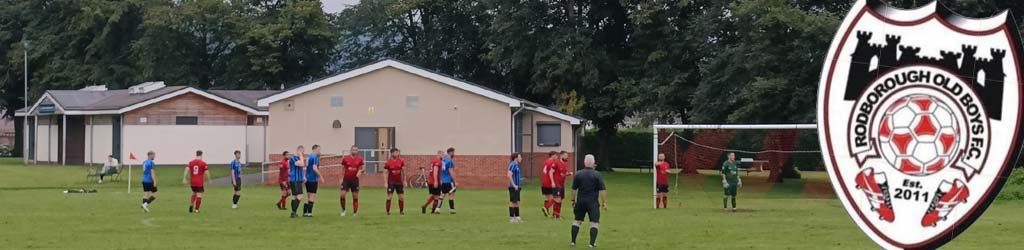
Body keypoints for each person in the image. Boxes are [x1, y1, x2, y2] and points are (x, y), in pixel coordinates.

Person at [569, 154, 607, 248]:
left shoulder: (578, 173)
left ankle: (573, 241)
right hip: (593, 203)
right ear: (593, 163)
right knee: (594, 222)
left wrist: (573, 200)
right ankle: (592, 243)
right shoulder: (597, 174)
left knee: (577, 220)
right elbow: (602, 190)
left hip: (581, 201)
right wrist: (604, 202)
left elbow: (574, 189)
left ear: (584, 163)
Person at [340, 145, 364, 216]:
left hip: (355, 180)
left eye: (356, 150)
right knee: (342, 195)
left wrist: (360, 171)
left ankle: (355, 212)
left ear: (357, 151)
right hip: (346, 180)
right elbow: (343, 168)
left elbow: (363, 168)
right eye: (353, 150)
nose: (355, 151)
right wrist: (341, 178)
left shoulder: (360, 159)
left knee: (355, 196)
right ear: (351, 150)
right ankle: (343, 210)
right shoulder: (345, 159)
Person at [384, 148, 407, 215]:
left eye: (398, 152)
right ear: (392, 153)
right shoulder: (388, 162)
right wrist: (385, 182)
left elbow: (404, 171)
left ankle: (401, 211)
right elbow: (385, 172)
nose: (397, 154)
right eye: (395, 152)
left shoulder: (401, 161)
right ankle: (388, 212)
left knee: (401, 197)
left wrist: (405, 180)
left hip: (399, 182)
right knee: (389, 197)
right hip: (391, 182)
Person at [288, 146, 307, 218]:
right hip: (294, 179)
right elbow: (302, 164)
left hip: (298, 179)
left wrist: (303, 177)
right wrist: (301, 155)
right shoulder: (293, 158)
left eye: (303, 151)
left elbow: (301, 168)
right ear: (298, 150)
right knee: (300, 195)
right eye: (302, 151)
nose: (303, 153)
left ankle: (293, 213)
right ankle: (293, 212)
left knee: (294, 196)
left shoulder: (300, 158)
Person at [304, 145, 322, 217]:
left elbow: (306, 167)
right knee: (312, 196)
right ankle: (309, 213)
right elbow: (314, 168)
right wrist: (320, 176)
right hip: (313, 178)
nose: (319, 151)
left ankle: (305, 212)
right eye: (319, 150)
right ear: (314, 149)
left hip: (307, 178)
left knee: (308, 196)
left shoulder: (308, 156)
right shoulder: (315, 157)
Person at [553, 151, 573, 219]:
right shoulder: (556, 163)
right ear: (561, 156)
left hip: (562, 184)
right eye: (565, 155)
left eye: (567, 155)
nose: (566, 157)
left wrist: (568, 173)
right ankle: (556, 215)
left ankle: (557, 214)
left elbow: (564, 173)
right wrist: (552, 182)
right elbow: (551, 172)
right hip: (557, 183)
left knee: (560, 199)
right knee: (557, 199)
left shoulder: (565, 164)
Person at [439, 147, 458, 214]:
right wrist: (455, 181)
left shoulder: (443, 160)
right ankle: (452, 210)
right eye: (454, 152)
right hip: (449, 181)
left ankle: (437, 209)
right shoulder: (450, 161)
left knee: (442, 195)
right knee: (451, 194)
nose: (454, 154)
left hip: (444, 181)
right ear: (451, 152)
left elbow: (441, 171)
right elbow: (451, 171)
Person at [540, 151, 559, 217]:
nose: (557, 157)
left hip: (544, 182)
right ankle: (546, 208)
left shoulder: (546, 162)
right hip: (549, 183)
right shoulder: (552, 163)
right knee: (555, 198)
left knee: (547, 198)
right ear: (553, 155)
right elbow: (553, 172)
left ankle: (546, 212)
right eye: (556, 155)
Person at [507, 152, 523, 223]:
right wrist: (514, 185)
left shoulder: (516, 165)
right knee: (513, 202)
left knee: (517, 202)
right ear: (516, 158)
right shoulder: (513, 165)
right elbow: (509, 175)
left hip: (517, 187)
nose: (521, 158)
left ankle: (517, 217)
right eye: (520, 157)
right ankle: (511, 218)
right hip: (513, 187)